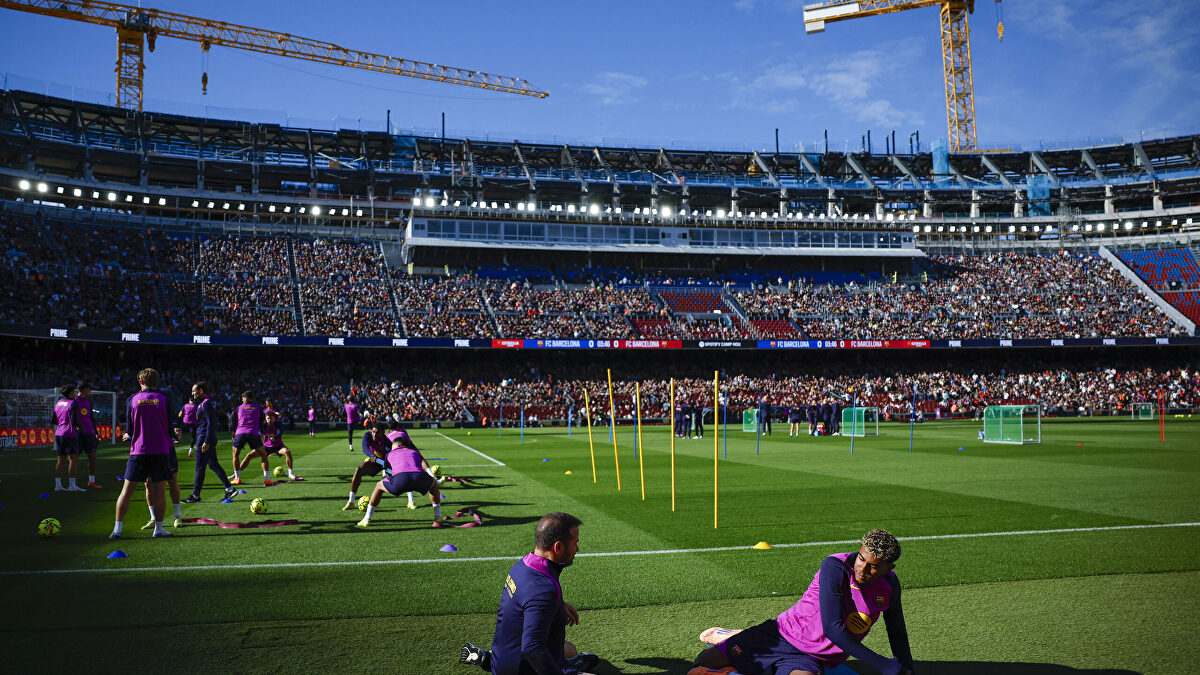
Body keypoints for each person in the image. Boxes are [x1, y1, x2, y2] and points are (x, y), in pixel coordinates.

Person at [691, 529, 914, 675]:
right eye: (861, 559)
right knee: (702, 662)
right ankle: (733, 636)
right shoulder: (835, 566)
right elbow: (833, 628)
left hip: (812, 655)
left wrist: (907, 669)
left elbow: (896, 632)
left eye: (874, 566)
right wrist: (885, 666)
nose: (862, 569)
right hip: (780, 634)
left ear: (889, 569)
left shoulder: (890, 585)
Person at [459, 512, 599, 675]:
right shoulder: (543, 588)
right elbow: (532, 647)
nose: (577, 549)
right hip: (517, 668)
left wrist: (559, 604)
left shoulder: (523, 565)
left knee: (570, 649)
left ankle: (488, 658)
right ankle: (565, 668)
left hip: (502, 656)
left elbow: (527, 600)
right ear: (558, 547)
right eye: (575, 543)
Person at [110, 368, 178, 539]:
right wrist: (174, 435)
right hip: (160, 450)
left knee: (126, 491)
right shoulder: (164, 398)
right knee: (160, 491)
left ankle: (117, 530)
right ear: (157, 382)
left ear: (140, 381)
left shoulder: (132, 399)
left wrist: (128, 435)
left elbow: (130, 429)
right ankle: (159, 529)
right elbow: (170, 426)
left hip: (138, 450)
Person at [355, 431, 442, 527]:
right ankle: (438, 516)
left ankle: (366, 519)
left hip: (400, 479)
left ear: (398, 444)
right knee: (433, 484)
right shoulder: (415, 452)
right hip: (419, 476)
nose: (391, 447)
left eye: (392, 445)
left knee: (379, 486)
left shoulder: (390, 454)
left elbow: (388, 471)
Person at [182, 381, 237, 504]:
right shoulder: (203, 403)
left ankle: (196, 495)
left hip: (204, 439)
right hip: (205, 438)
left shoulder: (206, 404)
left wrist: (206, 441)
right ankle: (230, 489)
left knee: (199, 467)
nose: (192, 393)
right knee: (213, 465)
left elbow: (211, 423)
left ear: (201, 391)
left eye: (194, 390)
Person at [344, 421, 417, 511]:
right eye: (373, 431)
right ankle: (351, 502)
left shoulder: (386, 442)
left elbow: (390, 454)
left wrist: (388, 466)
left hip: (387, 463)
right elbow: (365, 447)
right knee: (358, 470)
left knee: (402, 478)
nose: (374, 434)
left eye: (377, 432)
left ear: (383, 433)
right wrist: (371, 455)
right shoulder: (368, 435)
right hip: (375, 462)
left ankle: (411, 501)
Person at [230, 391, 276, 487]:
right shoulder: (259, 408)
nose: (242, 400)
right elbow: (261, 422)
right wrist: (263, 433)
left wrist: (233, 433)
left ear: (247, 398)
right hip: (253, 433)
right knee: (264, 455)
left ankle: (237, 478)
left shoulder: (238, 408)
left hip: (240, 433)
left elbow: (233, 422)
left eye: (243, 398)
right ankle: (267, 479)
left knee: (235, 455)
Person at [51, 384, 85, 493]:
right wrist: (79, 427)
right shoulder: (73, 403)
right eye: (74, 392)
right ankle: (72, 486)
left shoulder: (58, 403)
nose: (75, 394)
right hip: (69, 434)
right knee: (73, 459)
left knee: (60, 460)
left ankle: (58, 486)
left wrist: (62, 422)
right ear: (71, 393)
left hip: (59, 433)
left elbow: (53, 420)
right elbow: (74, 420)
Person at [262, 399, 301, 481]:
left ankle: (290, 474)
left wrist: (275, 437)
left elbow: (280, 430)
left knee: (287, 451)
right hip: (267, 444)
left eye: (267, 402)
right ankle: (237, 474)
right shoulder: (264, 420)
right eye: (265, 403)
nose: (266, 404)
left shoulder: (277, 420)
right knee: (250, 455)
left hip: (277, 444)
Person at [75, 382, 102, 488]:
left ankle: (91, 480)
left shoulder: (88, 402)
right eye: (89, 389)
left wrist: (96, 433)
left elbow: (91, 418)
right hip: (78, 435)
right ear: (84, 390)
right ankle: (73, 483)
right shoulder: (74, 402)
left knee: (92, 457)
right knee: (74, 459)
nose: (90, 391)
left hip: (89, 434)